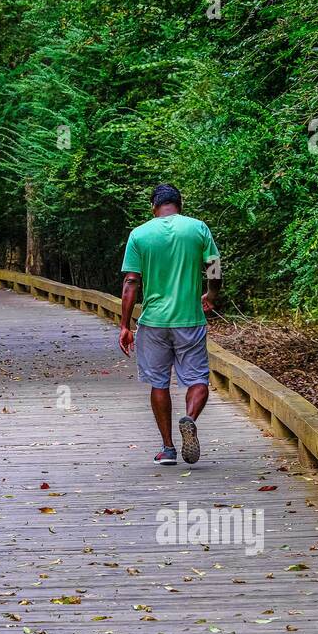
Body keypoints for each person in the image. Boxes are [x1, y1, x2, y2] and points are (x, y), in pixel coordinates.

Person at [118, 184, 222, 465]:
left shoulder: (139, 234)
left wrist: (125, 325)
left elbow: (131, 282)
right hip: (189, 319)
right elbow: (214, 267)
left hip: (153, 323)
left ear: (153, 206)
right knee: (198, 379)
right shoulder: (197, 228)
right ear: (180, 204)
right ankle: (189, 417)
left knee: (159, 383)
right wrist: (211, 295)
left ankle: (168, 449)